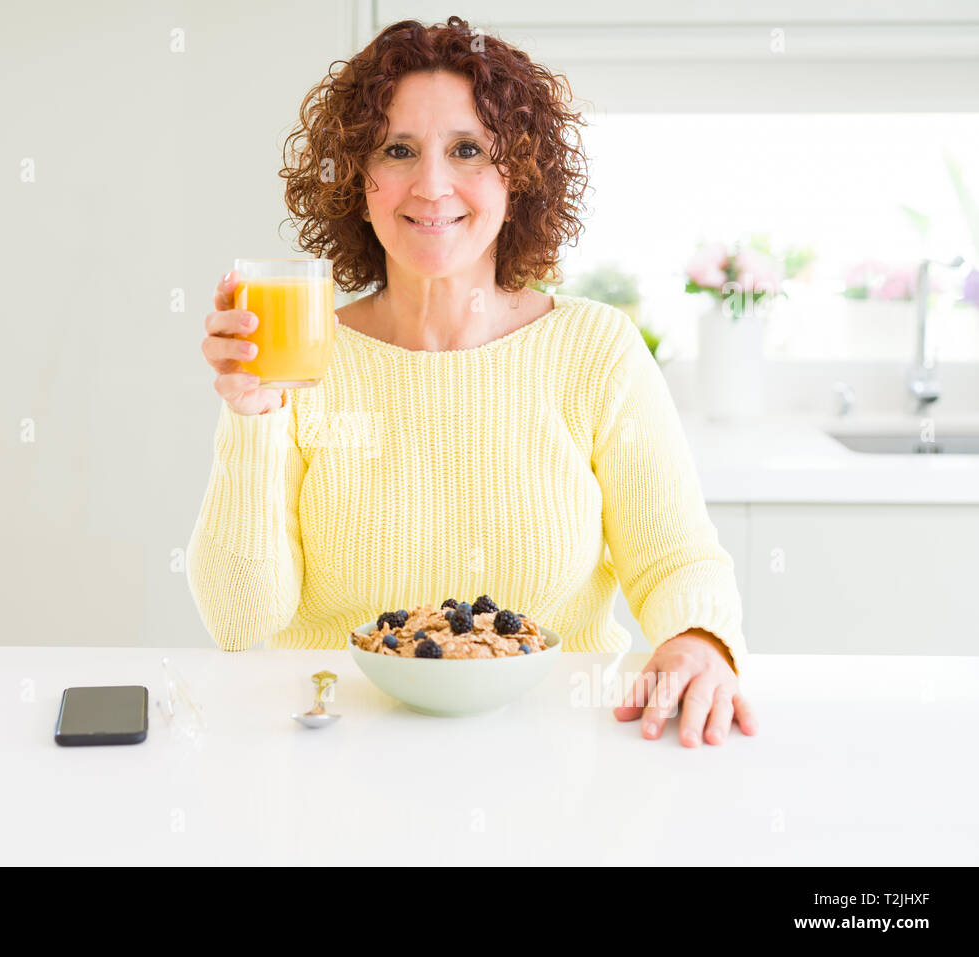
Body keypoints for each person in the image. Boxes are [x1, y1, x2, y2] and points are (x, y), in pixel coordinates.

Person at [187, 16, 757, 748]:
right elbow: (241, 621)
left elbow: (675, 557)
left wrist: (698, 641)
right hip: (342, 747)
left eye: (467, 150)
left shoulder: (595, 349)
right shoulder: (300, 354)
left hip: (558, 752)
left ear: (516, 175)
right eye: (398, 150)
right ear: (360, 179)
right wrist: (251, 417)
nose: (431, 185)